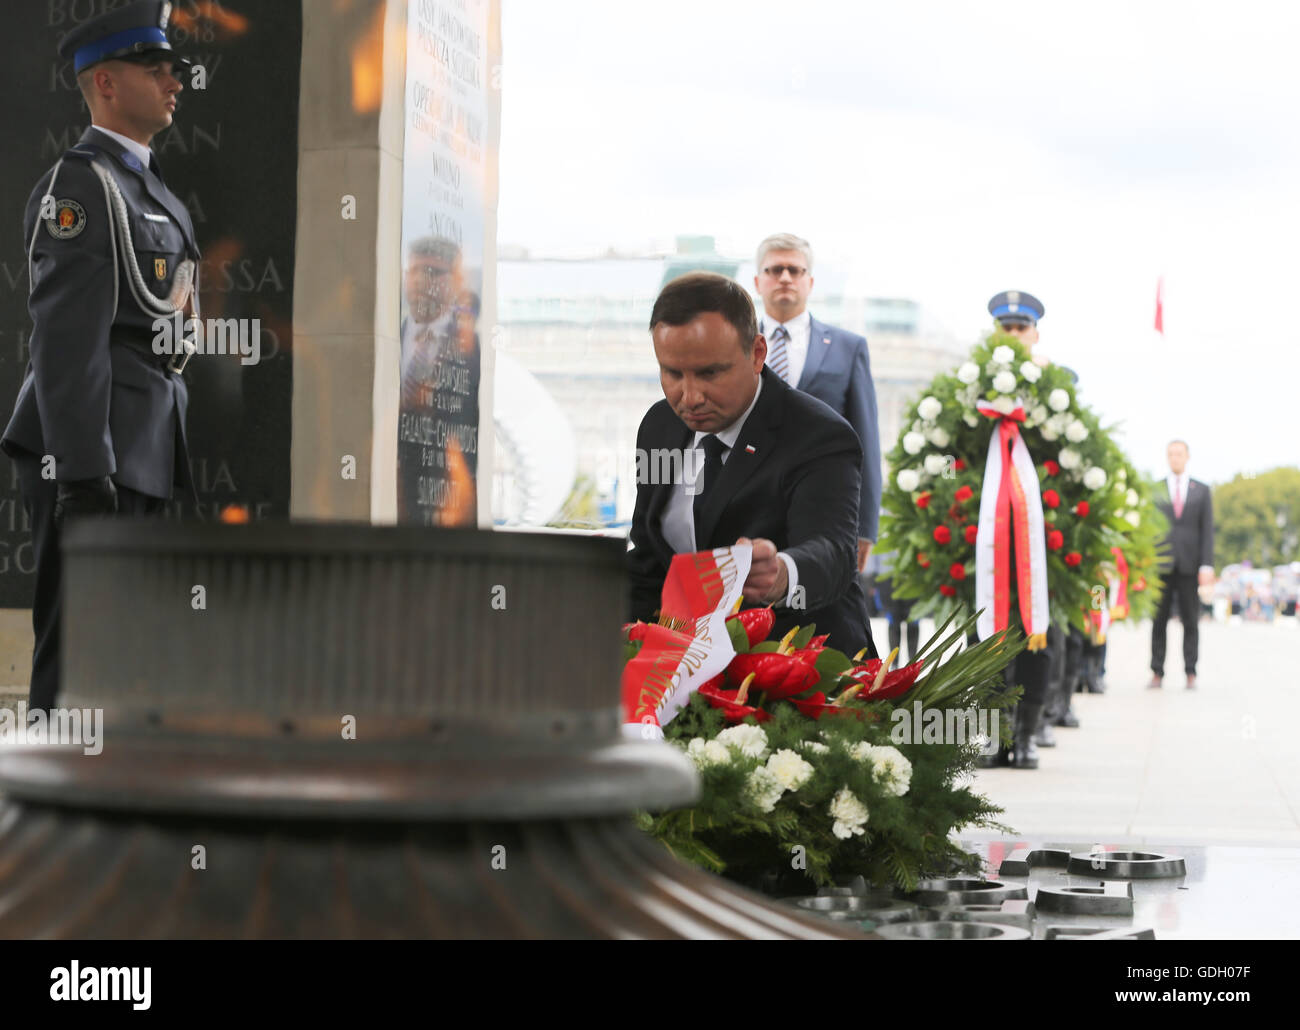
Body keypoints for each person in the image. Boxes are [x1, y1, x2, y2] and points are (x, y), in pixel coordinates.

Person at [2, 0, 198, 714]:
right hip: (95, 451)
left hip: (139, 441)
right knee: (79, 645)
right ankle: (41, 813)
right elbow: (65, 338)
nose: (175, 79)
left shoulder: (147, 187)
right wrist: (84, 470)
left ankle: (104, 804)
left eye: (174, 66)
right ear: (107, 83)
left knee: (122, 650)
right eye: (155, 67)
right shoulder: (81, 187)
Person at [627, 272, 877, 658]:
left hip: (806, 672)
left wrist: (782, 573)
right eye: (672, 373)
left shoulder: (819, 435)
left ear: (758, 353)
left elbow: (833, 552)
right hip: (690, 671)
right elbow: (649, 556)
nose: (689, 396)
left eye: (710, 373)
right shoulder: (659, 427)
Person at [752, 234, 881, 574]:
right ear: (757, 281)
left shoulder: (848, 348)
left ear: (809, 281)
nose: (784, 278)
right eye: (775, 269)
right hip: (748, 514)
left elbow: (865, 439)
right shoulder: (735, 345)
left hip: (825, 512)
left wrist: (865, 527)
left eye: (795, 270)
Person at [980, 290, 1056, 768]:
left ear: (1035, 333)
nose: (1012, 336)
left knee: (1038, 635)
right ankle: (991, 735)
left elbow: (1071, 458)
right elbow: (948, 460)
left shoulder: (1054, 387)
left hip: (1038, 538)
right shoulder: (969, 387)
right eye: (1004, 328)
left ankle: (1026, 733)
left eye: (1020, 328)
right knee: (982, 635)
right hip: (984, 536)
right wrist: (956, 491)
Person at [1148, 439, 1214, 689]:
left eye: (1179, 454)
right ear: (1167, 457)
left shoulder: (1202, 490)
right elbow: (1149, 527)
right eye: (1171, 454)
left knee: (1190, 620)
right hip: (1161, 564)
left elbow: (1207, 530)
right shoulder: (1156, 489)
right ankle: (1157, 671)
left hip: (1189, 564)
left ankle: (1190, 671)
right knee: (1158, 620)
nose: (1175, 458)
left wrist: (1207, 566)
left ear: (1187, 457)